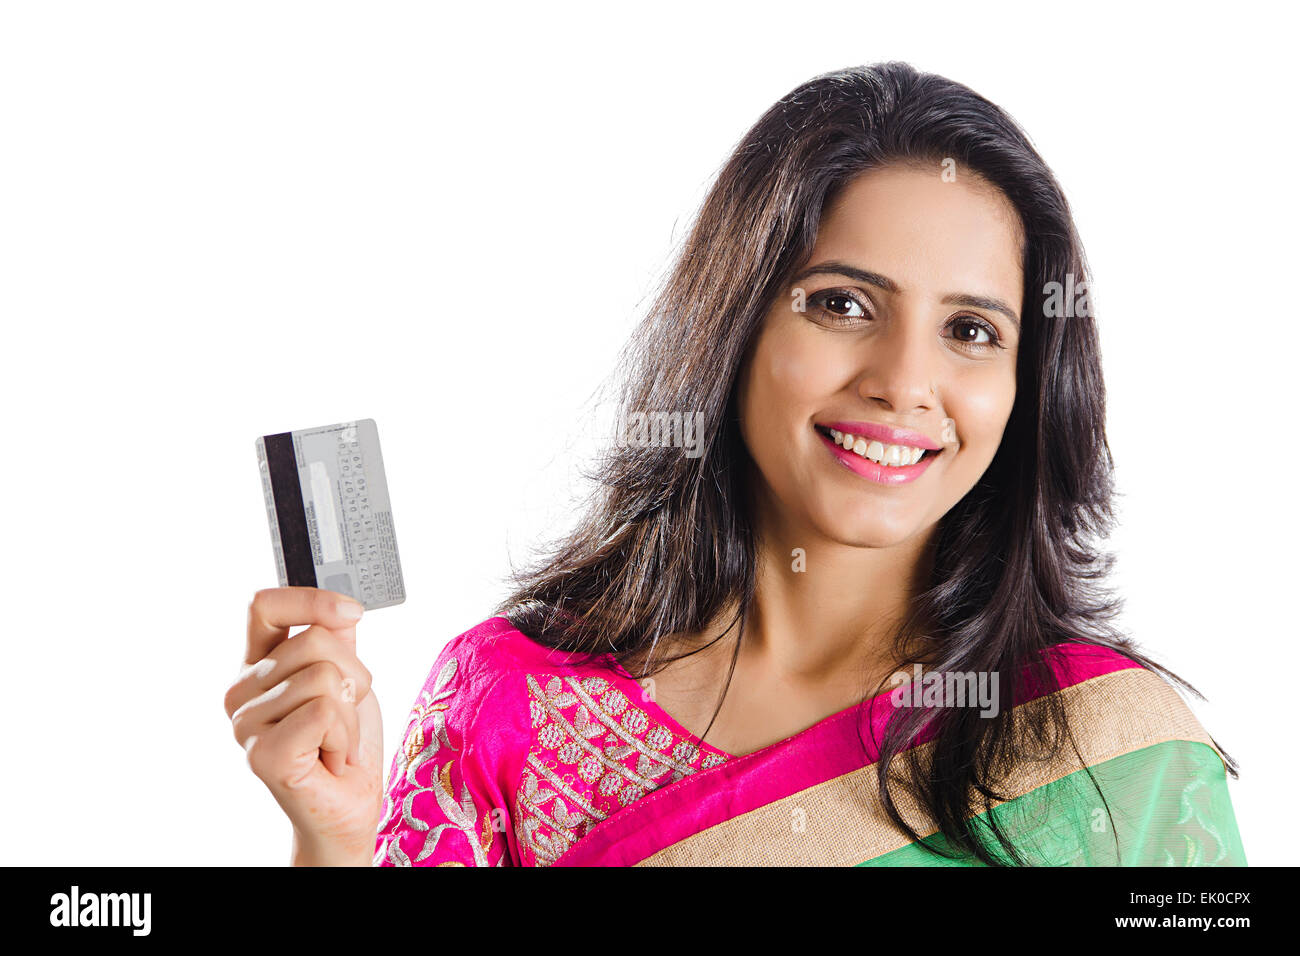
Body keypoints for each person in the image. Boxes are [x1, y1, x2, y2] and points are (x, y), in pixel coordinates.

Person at [225, 61, 1248, 867]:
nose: (904, 380)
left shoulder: (1107, 750)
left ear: (1031, 383)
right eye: (842, 303)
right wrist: (334, 838)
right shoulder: (508, 709)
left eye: (972, 330)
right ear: (735, 325)